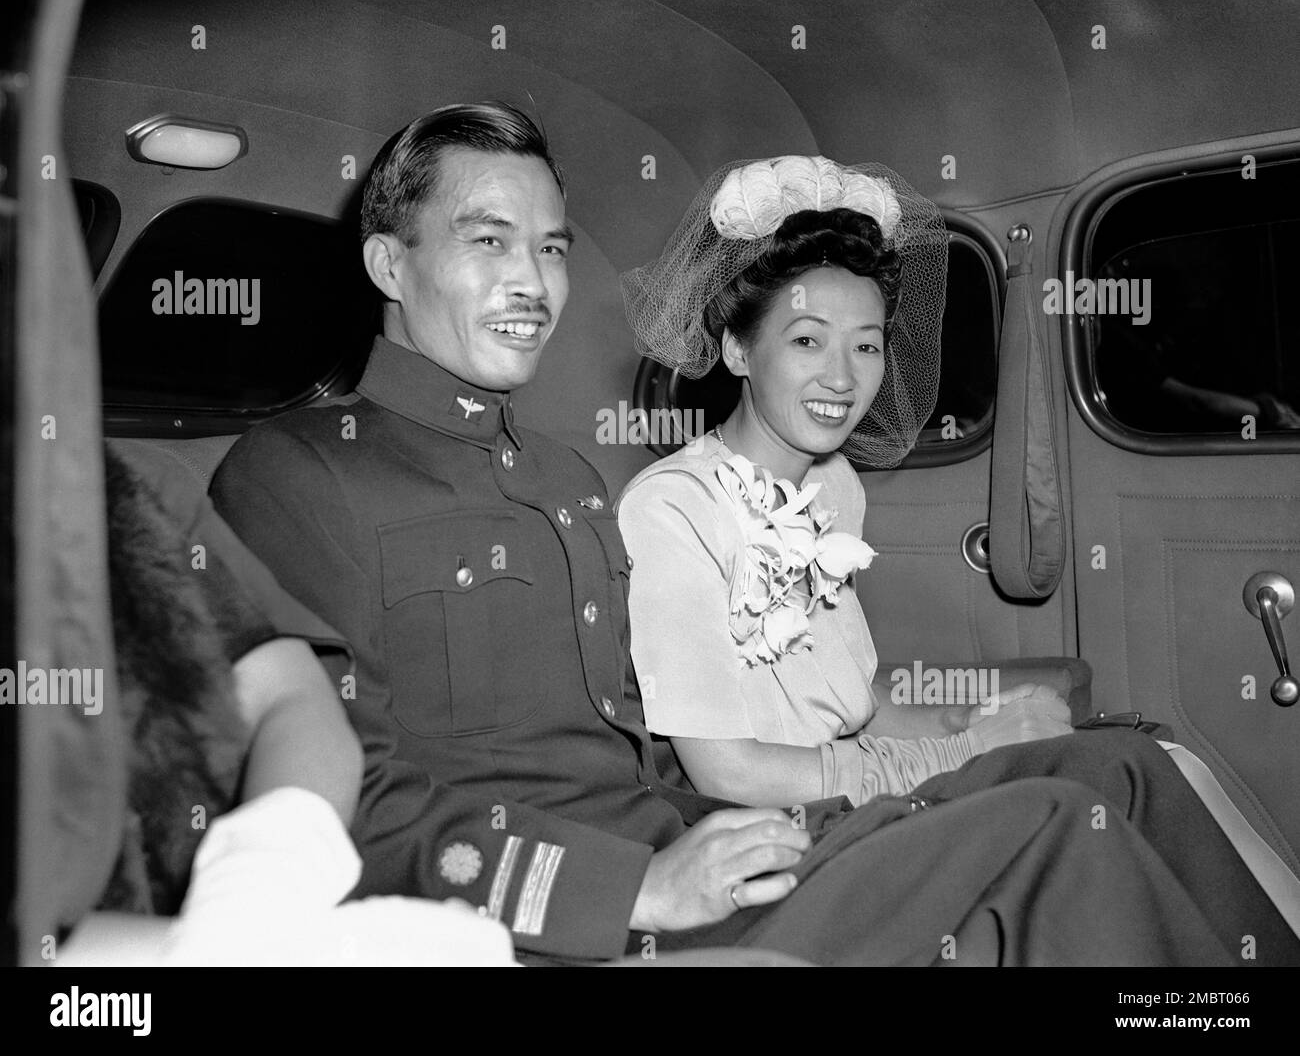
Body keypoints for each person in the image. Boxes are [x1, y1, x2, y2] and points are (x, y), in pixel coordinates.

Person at [209, 102, 1289, 966]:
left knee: (1122, 777)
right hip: (561, 921)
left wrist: (798, 820)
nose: (532, 281)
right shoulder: (298, 471)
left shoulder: (565, 478)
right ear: (389, 264)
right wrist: (633, 888)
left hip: (694, 843)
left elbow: (640, 749)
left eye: (548, 245)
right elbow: (333, 800)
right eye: (486, 242)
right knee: (1061, 826)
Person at [616, 153, 1300, 943]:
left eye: (867, 345)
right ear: (738, 352)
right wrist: (962, 754)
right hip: (779, 826)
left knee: (1158, 759)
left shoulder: (834, 485)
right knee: (1122, 779)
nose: (843, 376)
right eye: (807, 340)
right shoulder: (672, 509)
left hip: (855, 778)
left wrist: (968, 726)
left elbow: (855, 697)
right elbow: (729, 771)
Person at [55, 440, 514, 966]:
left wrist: (265, 874)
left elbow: (287, 692)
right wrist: (211, 951)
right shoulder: (291, 470)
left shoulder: (130, 481)